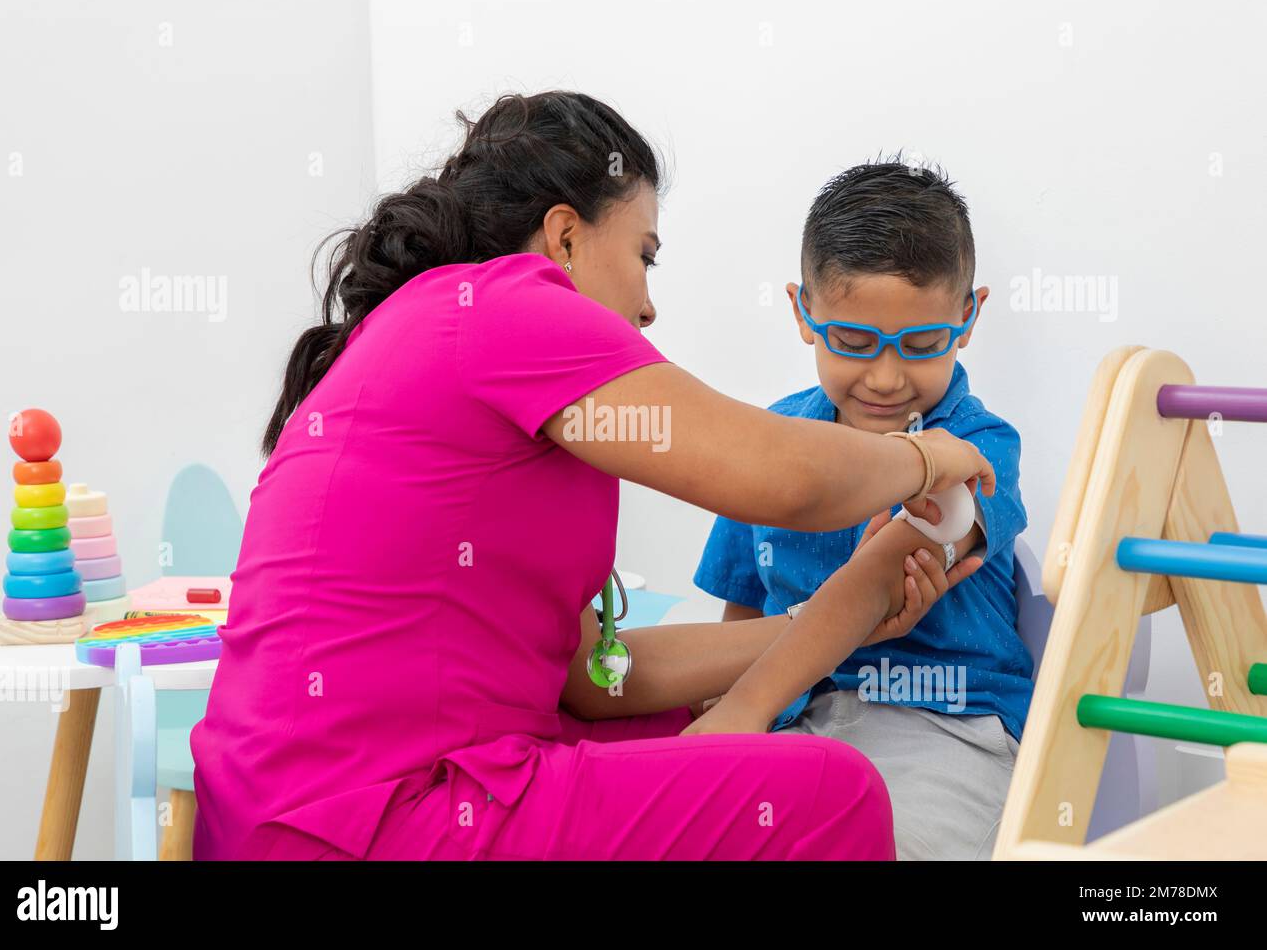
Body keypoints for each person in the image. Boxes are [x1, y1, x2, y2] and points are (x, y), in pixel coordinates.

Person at [189, 92, 994, 861]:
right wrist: (926, 457)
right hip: (371, 819)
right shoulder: (503, 307)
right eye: (644, 256)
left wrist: (820, 628)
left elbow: (592, 682)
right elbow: (783, 477)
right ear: (566, 237)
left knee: (678, 730)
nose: (649, 307)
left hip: (309, 810)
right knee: (829, 792)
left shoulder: (431, 335)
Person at [691, 160, 1031, 859]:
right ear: (802, 311)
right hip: (797, 719)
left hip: (945, 723)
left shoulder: (979, 443)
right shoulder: (772, 444)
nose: (884, 376)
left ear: (967, 317)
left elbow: (910, 551)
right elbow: (741, 618)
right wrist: (728, 711)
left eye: (919, 344)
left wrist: (744, 709)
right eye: (852, 342)